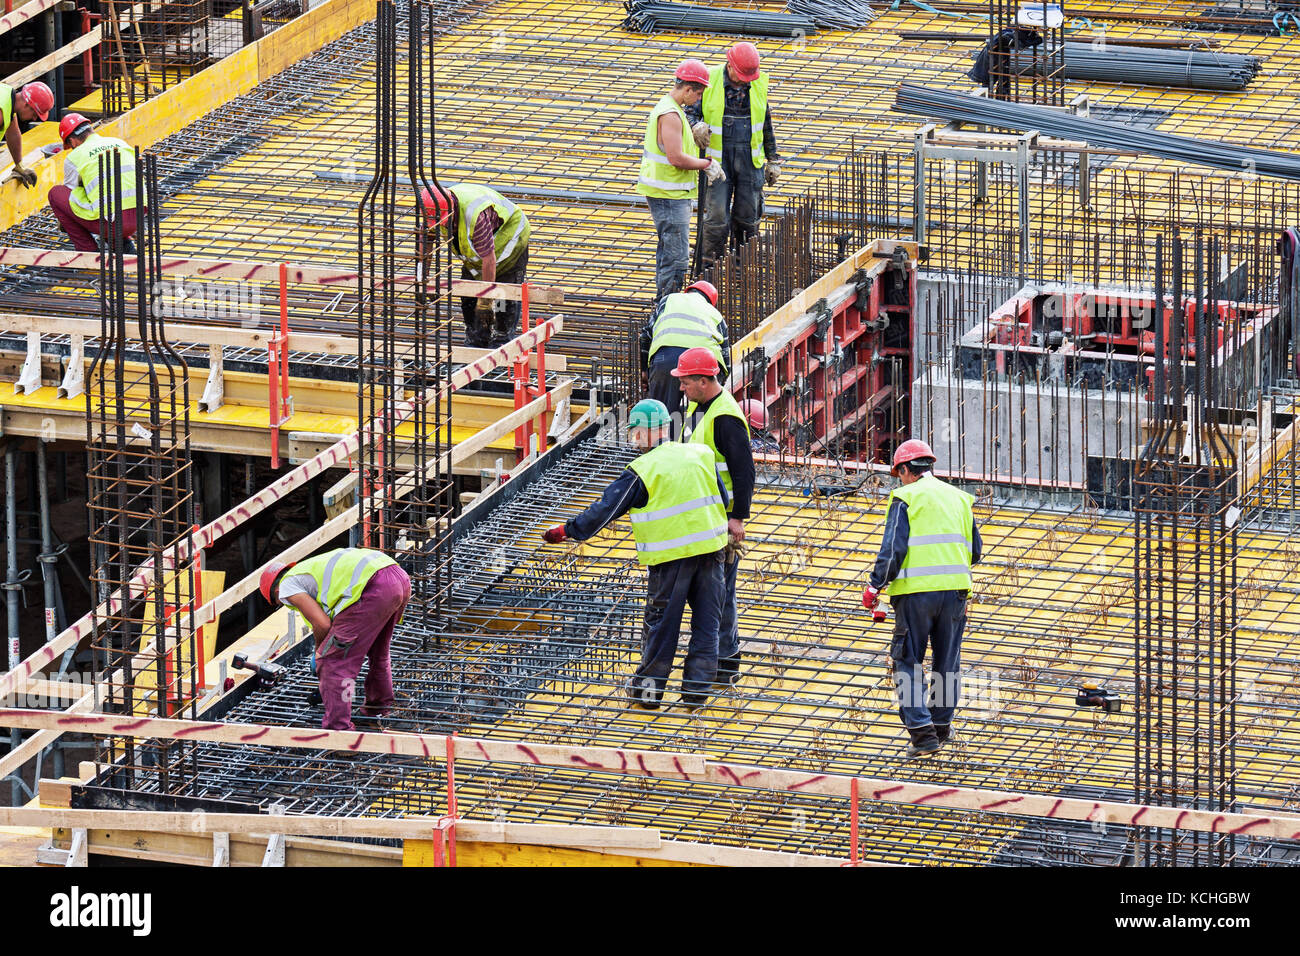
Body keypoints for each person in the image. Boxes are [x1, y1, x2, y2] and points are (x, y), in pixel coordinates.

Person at [543, 398, 728, 710]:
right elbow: (723, 498)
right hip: (712, 551)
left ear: (645, 432)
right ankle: (696, 693)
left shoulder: (643, 469)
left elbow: (605, 510)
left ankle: (648, 695)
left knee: (662, 626)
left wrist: (566, 531)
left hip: (671, 561)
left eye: (633, 432)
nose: (632, 439)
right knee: (707, 625)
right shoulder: (700, 453)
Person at [862, 439, 982, 759]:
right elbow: (976, 552)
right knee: (947, 663)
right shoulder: (958, 498)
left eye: (898, 473)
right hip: (955, 593)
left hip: (915, 595)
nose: (898, 479)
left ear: (904, 470)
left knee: (907, 661)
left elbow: (893, 551)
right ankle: (941, 727)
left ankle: (922, 734)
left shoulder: (905, 497)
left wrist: (875, 587)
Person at [260, 548, 411, 731]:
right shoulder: (308, 571)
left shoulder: (287, 586)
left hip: (373, 588)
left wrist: (320, 652)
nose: (286, 602)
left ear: (276, 591)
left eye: (279, 601)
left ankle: (339, 731)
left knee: (334, 663)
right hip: (398, 578)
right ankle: (378, 708)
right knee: (378, 651)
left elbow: (322, 625)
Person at [675, 348, 754, 687]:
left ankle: (726, 663)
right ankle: (720, 659)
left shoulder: (725, 418)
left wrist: (738, 519)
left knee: (721, 595)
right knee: (709, 595)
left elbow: (744, 472)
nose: (681, 388)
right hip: (701, 518)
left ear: (704, 381)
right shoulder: (698, 408)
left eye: (686, 381)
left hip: (720, 522)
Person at [635, 59, 724, 303]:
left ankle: (663, 302)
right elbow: (675, 157)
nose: (698, 99)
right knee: (676, 259)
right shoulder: (671, 114)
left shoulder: (673, 110)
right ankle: (668, 306)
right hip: (669, 196)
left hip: (670, 194)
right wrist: (707, 164)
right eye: (698, 93)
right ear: (687, 89)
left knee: (669, 253)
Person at [685, 43, 781, 268]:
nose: (745, 80)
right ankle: (710, 270)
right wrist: (695, 125)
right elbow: (687, 111)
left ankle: (740, 269)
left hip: (749, 162)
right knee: (717, 218)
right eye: (741, 75)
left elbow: (765, 122)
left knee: (747, 218)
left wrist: (773, 159)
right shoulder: (709, 79)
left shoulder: (757, 83)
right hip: (718, 163)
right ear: (730, 65)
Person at [421, 182, 531, 347]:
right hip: (480, 254)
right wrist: (424, 279)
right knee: (469, 293)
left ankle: (501, 340)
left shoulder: (475, 215)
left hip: (510, 240)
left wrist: (486, 299)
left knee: (501, 293)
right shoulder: (434, 209)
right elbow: (426, 242)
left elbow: (489, 259)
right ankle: (477, 339)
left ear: (451, 210)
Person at [47, 114, 144, 253]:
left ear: (73, 142)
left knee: (56, 194)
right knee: (107, 192)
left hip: (111, 224)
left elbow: (72, 197)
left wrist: (65, 220)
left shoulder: (75, 156)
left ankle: (87, 250)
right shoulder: (119, 143)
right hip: (138, 219)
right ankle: (123, 245)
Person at [638, 278, 729, 424]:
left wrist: (645, 371)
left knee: (660, 415)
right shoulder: (715, 314)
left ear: (688, 291)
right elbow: (726, 357)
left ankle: (661, 444)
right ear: (710, 301)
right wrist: (718, 384)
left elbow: (645, 336)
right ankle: (690, 440)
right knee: (698, 418)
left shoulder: (669, 300)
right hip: (701, 365)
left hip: (665, 359)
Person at [1, 81, 53, 189]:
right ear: (26, 104)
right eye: (34, 114)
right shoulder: (1, 112)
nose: (34, 118)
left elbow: (13, 134)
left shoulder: (8, 98)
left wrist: (19, 165)